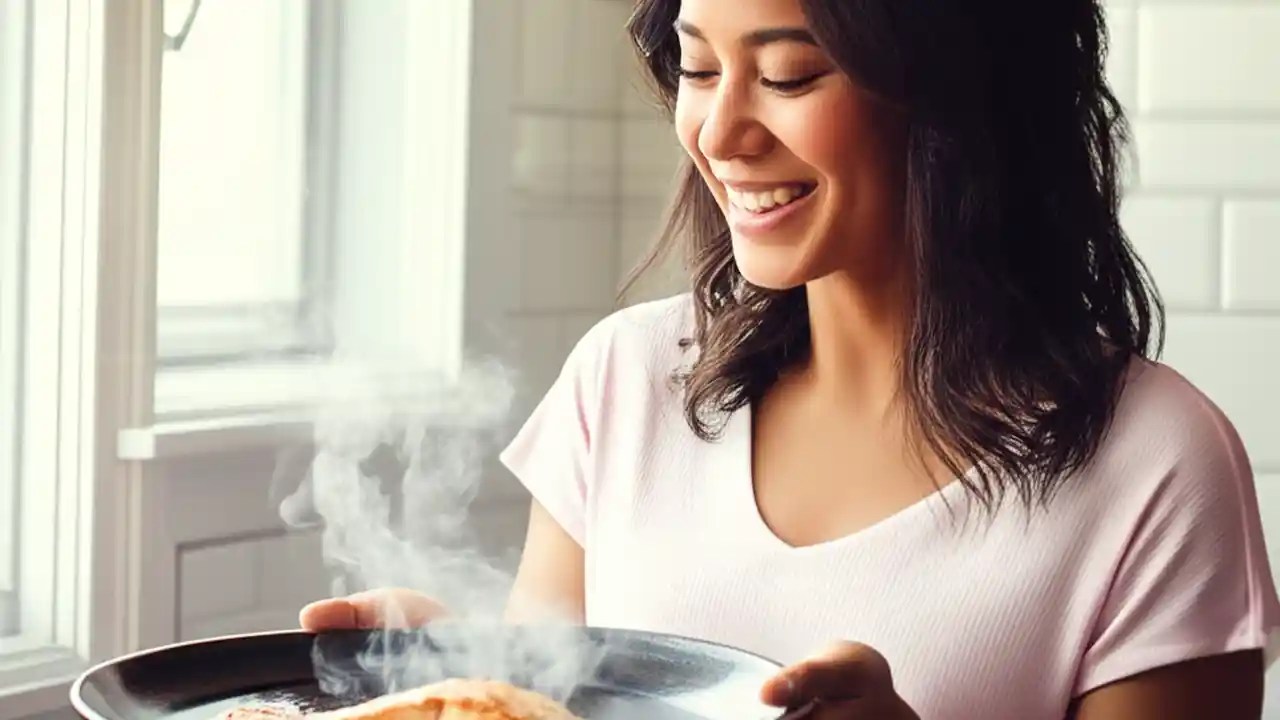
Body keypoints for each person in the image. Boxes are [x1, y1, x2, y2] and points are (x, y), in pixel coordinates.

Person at [299, 0, 1280, 717]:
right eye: (697, 68)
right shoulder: (624, 382)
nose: (719, 133)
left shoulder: (1154, 462)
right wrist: (449, 688)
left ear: (958, 96)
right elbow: (552, 702)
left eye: (787, 76)